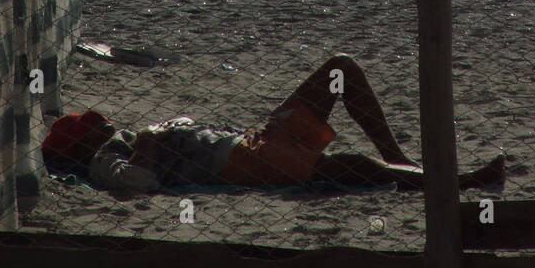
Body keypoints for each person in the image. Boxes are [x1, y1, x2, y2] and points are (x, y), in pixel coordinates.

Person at [41, 55, 506, 194]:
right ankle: (455, 184)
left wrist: (158, 132)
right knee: (345, 166)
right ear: (85, 144)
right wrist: (147, 140)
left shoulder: (116, 141)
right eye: (96, 126)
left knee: (339, 70)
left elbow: (177, 125)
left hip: (248, 140)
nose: (107, 125)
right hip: (238, 163)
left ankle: (396, 157)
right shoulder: (106, 159)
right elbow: (138, 183)